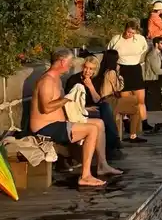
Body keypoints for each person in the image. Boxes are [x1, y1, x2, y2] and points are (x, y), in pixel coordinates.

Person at [30, 48, 122, 187]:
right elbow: (46, 108)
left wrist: (77, 109)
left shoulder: (55, 78)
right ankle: (85, 176)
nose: (71, 65)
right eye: (70, 62)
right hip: (46, 127)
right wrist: (68, 98)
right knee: (91, 129)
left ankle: (102, 165)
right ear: (62, 62)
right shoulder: (47, 80)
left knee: (99, 123)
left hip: (58, 123)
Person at [65, 55, 123, 159]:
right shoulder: (74, 79)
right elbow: (70, 101)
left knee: (105, 106)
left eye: (91, 69)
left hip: (93, 108)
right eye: (86, 67)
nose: (87, 71)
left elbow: (97, 100)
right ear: (82, 67)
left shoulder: (97, 80)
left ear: (95, 70)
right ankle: (113, 143)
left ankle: (111, 145)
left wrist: (90, 86)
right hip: (78, 109)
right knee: (105, 112)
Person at [107, 20, 150, 142]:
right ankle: (128, 124)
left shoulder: (140, 39)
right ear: (125, 29)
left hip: (135, 68)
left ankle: (144, 123)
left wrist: (138, 59)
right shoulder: (117, 39)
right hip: (122, 69)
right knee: (126, 100)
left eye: (132, 33)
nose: (130, 34)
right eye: (128, 32)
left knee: (140, 99)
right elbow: (109, 52)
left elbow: (145, 50)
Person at [95, 48, 146, 140]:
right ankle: (133, 135)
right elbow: (118, 88)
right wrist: (120, 76)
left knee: (134, 103)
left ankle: (126, 119)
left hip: (106, 100)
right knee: (136, 107)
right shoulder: (112, 72)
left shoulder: (103, 71)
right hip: (110, 101)